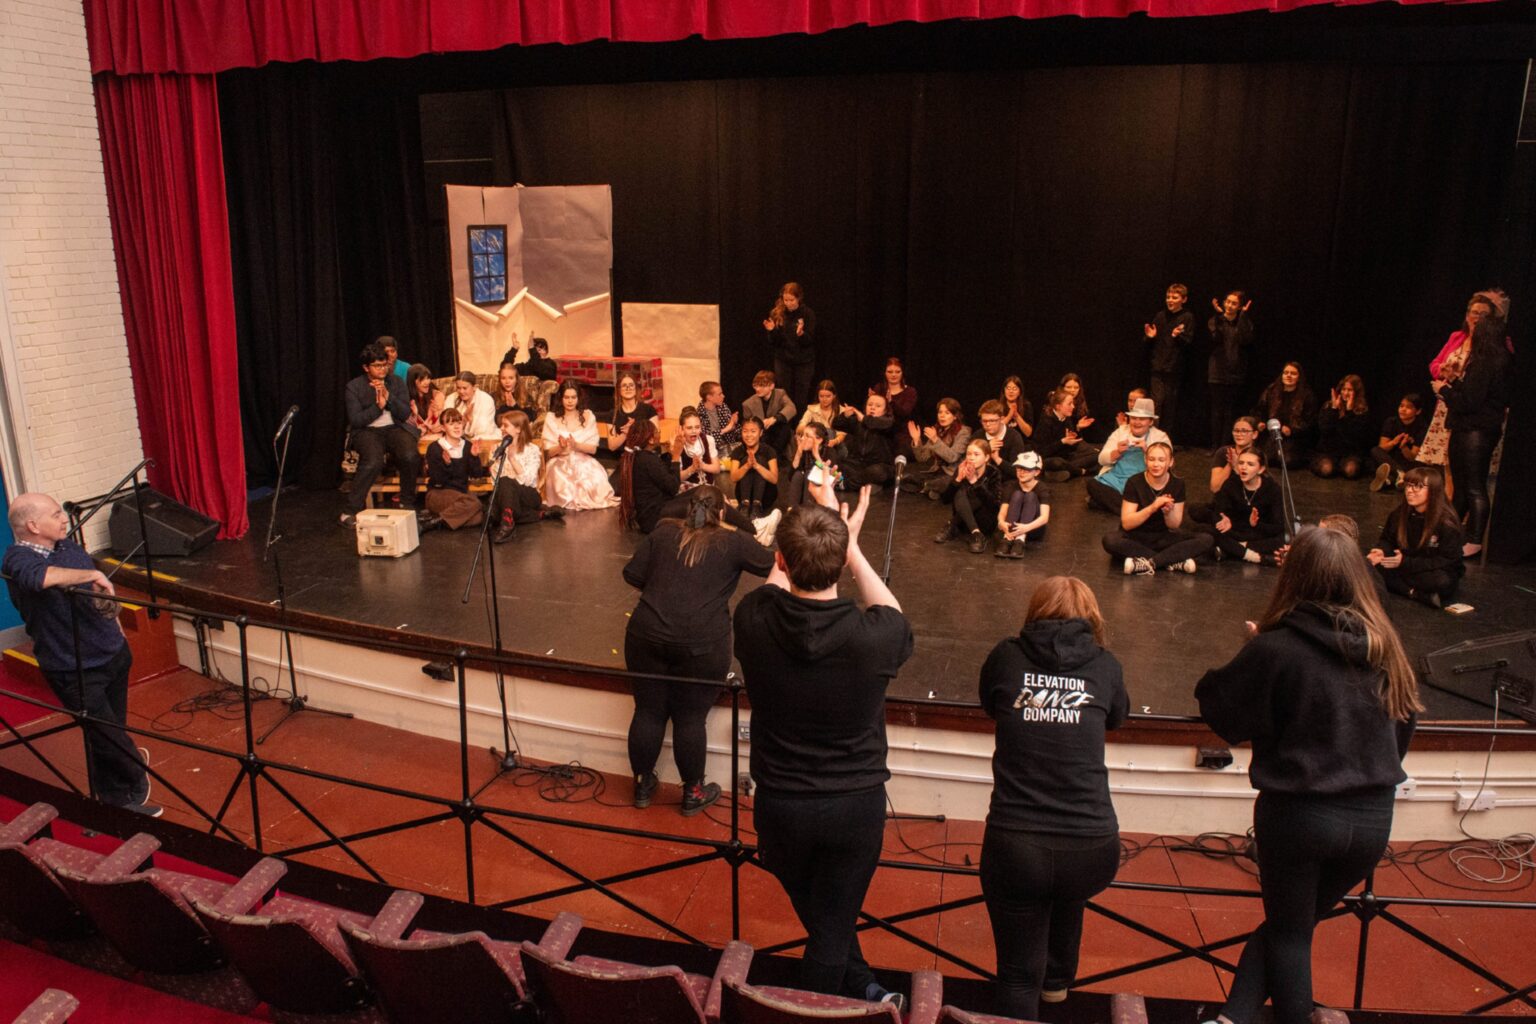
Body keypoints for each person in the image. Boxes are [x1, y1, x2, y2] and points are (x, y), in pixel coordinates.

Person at [1195, 526, 1418, 1024]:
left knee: (1291, 934)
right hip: (1371, 822)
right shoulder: (1388, 649)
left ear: (1295, 577)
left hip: (1300, 815)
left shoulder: (1278, 648)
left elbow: (1223, 712)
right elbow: (1401, 732)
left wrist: (1252, 653)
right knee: (1288, 927)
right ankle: (1233, 1017)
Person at [733, 481, 911, 1007]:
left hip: (781, 805)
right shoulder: (875, 636)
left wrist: (803, 534)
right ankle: (824, 1008)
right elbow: (893, 611)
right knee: (832, 927)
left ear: (782, 561)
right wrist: (850, 545)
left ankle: (864, 986)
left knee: (825, 917)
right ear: (838, 565)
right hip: (854, 807)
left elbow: (769, 587)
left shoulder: (753, 619)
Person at [979, 576, 1127, 1017]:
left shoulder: (1006, 657)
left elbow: (991, 704)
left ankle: (1042, 986)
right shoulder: (1105, 665)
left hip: (1016, 847)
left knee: (1018, 974)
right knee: (1066, 886)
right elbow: (1117, 717)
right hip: (1093, 847)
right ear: (1092, 618)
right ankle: (1058, 983)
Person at [624, 485, 774, 816]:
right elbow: (772, 565)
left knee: (647, 711)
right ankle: (693, 792)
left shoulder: (664, 533)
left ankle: (642, 785)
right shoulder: (733, 541)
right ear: (722, 512)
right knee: (690, 718)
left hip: (645, 633)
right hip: (701, 642)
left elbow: (632, 574)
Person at [3, 494, 156, 817]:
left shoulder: (67, 547)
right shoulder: (18, 559)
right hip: (74, 668)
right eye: (56, 513)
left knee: (108, 732)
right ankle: (133, 773)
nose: (64, 518)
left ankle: (116, 803)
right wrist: (93, 575)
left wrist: (116, 627)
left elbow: (98, 595)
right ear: (32, 525)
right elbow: (39, 578)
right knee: (109, 736)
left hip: (111, 654)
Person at [1434, 317, 1511, 557]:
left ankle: (1475, 539)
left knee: (1474, 486)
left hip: (1475, 431)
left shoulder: (1487, 362)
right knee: (1463, 487)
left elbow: (1470, 402)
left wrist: (1443, 390)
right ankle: (1452, 534)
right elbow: (1475, 394)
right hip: (1474, 428)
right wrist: (1455, 380)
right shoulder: (1496, 361)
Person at [1417, 290, 1508, 478]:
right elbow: (1434, 364)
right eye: (1474, 312)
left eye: (1484, 314)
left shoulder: (1497, 344)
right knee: (1448, 462)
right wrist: (1443, 370)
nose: (1478, 318)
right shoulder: (1457, 337)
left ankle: (1459, 506)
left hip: (1475, 410)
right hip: (1448, 404)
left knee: (1470, 471)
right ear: (1467, 316)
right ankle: (1451, 505)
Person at [343, 341, 423, 528]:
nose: (382, 369)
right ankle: (350, 510)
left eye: (384, 365)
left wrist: (388, 397)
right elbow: (356, 420)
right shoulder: (354, 387)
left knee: (410, 455)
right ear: (366, 367)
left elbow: (404, 414)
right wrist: (378, 407)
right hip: (367, 430)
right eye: (377, 366)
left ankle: (407, 502)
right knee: (373, 461)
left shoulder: (395, 382)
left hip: (394, 427)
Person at [1102, 441, 1212, 575]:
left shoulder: (1177, 484)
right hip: (1136, 537)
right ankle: (1173, 561)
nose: (1156, 464)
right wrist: (1152, 508)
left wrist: (1167, 513)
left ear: (1170, 462)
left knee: (1206, 539)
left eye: (1161, 460)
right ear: (1145, 460)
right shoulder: (1134, 482)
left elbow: (1174, 525)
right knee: (1110, 540)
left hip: (1163, 537)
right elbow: (1127, 524)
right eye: (1151, 459)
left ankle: (1150, 563)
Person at [1367, 466, 1464, 608]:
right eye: (1408, 485)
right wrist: (1380, 551)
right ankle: (1413, 593)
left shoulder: (1447, 523)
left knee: (1441, 582)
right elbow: (1387, 539)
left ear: (1433, 491)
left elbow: (1448, 560)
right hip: (1404, 563)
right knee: (1369, 565)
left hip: (1431, 568)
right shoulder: (1399, 513)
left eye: (1418, 486)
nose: (1410, 490)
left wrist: (1406, 562)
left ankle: (1402, 588)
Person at [489, 409, 563, 544]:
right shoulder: (497, 449)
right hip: (506, 495)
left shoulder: (532, 450)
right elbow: (495, 478)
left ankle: (507, 527)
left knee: (506, 481)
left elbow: (528, 480)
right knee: (490, 515)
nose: (501, 428)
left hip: (528, 495)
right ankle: (539, 514)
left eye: (505, 425)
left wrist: (512, 459)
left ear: (518, 429)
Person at [542, 380, 619, 510]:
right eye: (566, 397)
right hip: (559, 463)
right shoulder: (551, 418)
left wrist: (575, 445)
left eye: (573, 397)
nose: (570, 401)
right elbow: (547, 452)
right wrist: (561, 447)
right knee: (561, 481)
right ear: (561, 399)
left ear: (578, 398)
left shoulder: (588, 416)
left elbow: (593, 449)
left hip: (583, 460)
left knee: (593, 480)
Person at [1086, 397, 1170, 514]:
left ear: (1151, 422)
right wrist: (1117, 452)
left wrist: (1148, 451)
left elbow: (1168, 465)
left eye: (1142, 419)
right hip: (1117, 480)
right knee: (1092, 484)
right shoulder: (1120, 432)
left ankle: (1111, 506)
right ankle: (1136, 511)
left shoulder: (1160, 437)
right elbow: (1101, 460)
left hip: (1142, 482)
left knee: (1142, 492)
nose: (1137, 422)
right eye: (1134, 418)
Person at [1207, 448, 1285, 564]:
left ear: (1261, 469)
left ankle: (1234, 549)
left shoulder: (1272, 489)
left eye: (1250, 464)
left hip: (1258, 534)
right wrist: (1224, 519)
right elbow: (1219, 510)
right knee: (1209, 532)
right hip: (1234, 531)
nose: (1243, 467)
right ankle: (1256, 557)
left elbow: (1278, 526)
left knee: (1284, 539)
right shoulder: (1231, 483)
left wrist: (1256, 524)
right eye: (1241, 463)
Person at [423, 408, 489, 530]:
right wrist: (446, 464)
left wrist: (474, 457)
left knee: (479, 517)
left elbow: (477, 475)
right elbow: (438, 482)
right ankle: (434, 523)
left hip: (461, 494)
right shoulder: (435, 448)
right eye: (451, 423)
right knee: (475, 504)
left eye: (459, 423)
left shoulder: (467, 445)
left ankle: (437, 520)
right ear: (443, 428)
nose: (457, 427)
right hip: (438, 493)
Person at [936, 437, 1004, 554]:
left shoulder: (993, 473)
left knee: (974, 493)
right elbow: (945, 500)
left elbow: (995, 505)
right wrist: (957, 480)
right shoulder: (961, 469)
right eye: (969, 454)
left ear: (986, 457)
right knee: (960, 492)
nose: (971, 457)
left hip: (985, 521)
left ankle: (951, 525)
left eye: (976, 454)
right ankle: (976, 534)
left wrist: (974, 481)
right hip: (964, 521)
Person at [1145, 283, 1196, 435]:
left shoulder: (1187, 317)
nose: (1170, 300)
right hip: (1158, 366)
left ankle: (1164, 438)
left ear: (1184, 299)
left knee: (1169, 405)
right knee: (1156, 403)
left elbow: (1188, 342)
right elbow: (1150, 338)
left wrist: (1177, 336)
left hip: (1174, 368)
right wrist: (1150, 337)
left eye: (1175, 297)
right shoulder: (1161, 316)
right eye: (1168, 297)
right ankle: (1151, 435)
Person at [1207, 290, 1255, 447]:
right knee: (1216, 412)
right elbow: (1215, 339)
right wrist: (1219, 317)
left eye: (1234, 303)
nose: (1229, 305)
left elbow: (1245, 339)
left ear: (1240, 306)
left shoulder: (1244, 322)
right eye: (1228, 302)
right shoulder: (1215, 321)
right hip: (1217, 372)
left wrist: (1242, 317)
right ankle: (1214, 446)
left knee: (1230, 412)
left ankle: (1225, 446)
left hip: (1235, 373)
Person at [618, 417, 681, 534]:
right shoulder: (648, 460)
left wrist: (670, 454)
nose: (659, 434)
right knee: (704, 495)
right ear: (651, 439)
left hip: (646, 518)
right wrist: (676, 457)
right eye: (657, 432)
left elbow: (662, 476)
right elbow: (673, 487)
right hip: (655, 519)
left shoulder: (639, 457)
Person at [763, 282, 817, 409]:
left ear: (798, 298)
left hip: (804, 361)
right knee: (784, 394)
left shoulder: (808, 314)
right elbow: (774, 342)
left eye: (791, 300)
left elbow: (810, 341)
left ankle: (799, 425)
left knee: (801, 396)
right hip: (783, 360)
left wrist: (801, 334)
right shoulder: (777, 313)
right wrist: (771, 331)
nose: (788, 303)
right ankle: (785, 425)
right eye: (785, 300)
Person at [1254, 362, 1316, 469]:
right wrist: (1260, 422)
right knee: (1265, 459)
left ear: (1299, 377)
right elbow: (1259, 410)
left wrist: (1292, 430)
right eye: (1286, 372)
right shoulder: (1272, 390)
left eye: (1293, 373)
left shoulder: (1307, 395)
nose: (1288, 375)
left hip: (1294, 437)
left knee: (1287, 461)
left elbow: (1310, 421)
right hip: (1273, 434)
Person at [905, 397, 971, 499]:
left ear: (955, 416)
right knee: (908, 477)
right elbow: (922, 458)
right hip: (937, 473)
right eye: (940, 412)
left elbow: (952, 457)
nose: (942, 416)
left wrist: (935, 440)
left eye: (947, 413)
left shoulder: (964, 432)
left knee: (946, 482)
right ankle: (931, 489)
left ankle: (927, 487)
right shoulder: (937, 430)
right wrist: (917, 440)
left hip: (953, 474)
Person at [1311, 375, 1374, 480]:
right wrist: (1334, 409)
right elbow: (1325, 429)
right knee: (1326, 469)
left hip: (1350, 452)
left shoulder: (1362, 410)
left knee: (1351, 471)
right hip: (1328, 451)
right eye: (1344, 389)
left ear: (1356, 392)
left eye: (1349, 390)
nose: (1345, 393)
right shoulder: (1329, 406)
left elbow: (1355, 436)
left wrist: (1349, 412)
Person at [1033, 388, 1100, 482]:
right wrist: (1062, 442)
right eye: (1069, 404)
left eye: (1072, 403)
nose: (1073, 406)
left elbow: (1074, 446)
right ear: (1058, 406)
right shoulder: (1046, 421)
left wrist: (1078, 429)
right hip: (1048, 459)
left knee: (1098, 455)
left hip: (1066, 458)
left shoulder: (1067, 418)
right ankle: (1081, 471)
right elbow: (1041, 452)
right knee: (1057, 463)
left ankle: (1066, 472)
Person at [833, 392, 896, 489]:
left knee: (877, 472)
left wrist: (863, 418)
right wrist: (845, 415)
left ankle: (847, 484)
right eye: (870, 405)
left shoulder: (888, 422)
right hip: (858, 464)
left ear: (885, 410)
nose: (872, 407)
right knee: (837, 465)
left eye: (878, 406)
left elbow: (874, 423)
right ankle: (868, 485)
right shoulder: (858, 422)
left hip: (879, 465)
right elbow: (836, 424)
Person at [995, 451, 1051, 558]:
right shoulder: (1011, 486)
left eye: (1027, 470)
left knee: (1030, 496)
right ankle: (1007, 539)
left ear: (1037, 472)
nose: (1021, 472)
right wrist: (1001, 522)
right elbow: (1003, 510)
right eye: (1019, 468)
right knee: (1017, 494)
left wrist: (1026, 528)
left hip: (1031, 528)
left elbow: (1044, 517)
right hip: (1011, 527)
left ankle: (1020, 539)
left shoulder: (1042, 488)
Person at [1369, 393, 1428, 492]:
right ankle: (1400, 476)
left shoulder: (1421, 427)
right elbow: (1382, 448)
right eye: (1401, 406)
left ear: (1418, 411)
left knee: (1419, 466)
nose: (1403, 409)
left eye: (1408, 407)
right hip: (1390, 461)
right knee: (1375, 450)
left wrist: (1404, 447)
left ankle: (1389, 480)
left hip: (1407, 462)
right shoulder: (1391, 422)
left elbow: (1412, 457)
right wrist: (1393, 442)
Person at [729, 416, 780, 518]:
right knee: (744, 461)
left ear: (760, 433)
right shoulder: (737, 451)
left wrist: (757, 466)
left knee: (760, 459)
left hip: (766, 495)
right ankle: (745, 505)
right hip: (743, 495)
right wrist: (747, 465)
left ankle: (757, 505)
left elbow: (774, 479)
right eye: (745, 431)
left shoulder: (769, 451)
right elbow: (733, 478)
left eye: (753, 431)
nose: (749, 435)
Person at [741, 370, 797, 454]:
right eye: (755, 385)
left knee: (784, 426)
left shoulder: (780, 394)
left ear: (771, 386)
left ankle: (775, 456)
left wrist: (775, 418)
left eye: (762, 386)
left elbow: (791, 408)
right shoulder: (748, 404)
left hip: (778, 436)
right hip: (761, 436)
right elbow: (747, 425)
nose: (757, 389)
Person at [603, 372, 658, 454]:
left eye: (631, 385)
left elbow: (656, 440)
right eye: (624, 385)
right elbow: (612, 446)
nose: (628, 388)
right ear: (619, 390)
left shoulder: (648, 410)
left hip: (645, 456)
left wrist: (633, 431)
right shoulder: (612, 414)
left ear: (636, 389)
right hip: (624, 458)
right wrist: (625, 434)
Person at [1209, 417, 1261, 495]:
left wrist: (1237, 466)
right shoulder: (1223, 452)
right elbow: (1215, 488)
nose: (1239, 434)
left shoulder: (1258, 456)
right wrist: (1230, 464)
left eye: (1244, 431)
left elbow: (1255, 488)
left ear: (1254, 434)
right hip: (1223, 501)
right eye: (1236, 431)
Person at [673, 407, 721, 493]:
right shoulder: (678, 446)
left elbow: (717, 468)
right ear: (682, 429)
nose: (694, 431)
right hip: (689, 491)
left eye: (697, 427)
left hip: (709, 489)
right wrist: (692, 469)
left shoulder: (708, 440)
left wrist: (702, 466)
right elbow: (676, 478)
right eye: (689, 428)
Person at [872, 358, 919, 443]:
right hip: (881, 432)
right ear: (885, 373)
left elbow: (905, 412)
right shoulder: (879, 388)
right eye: (890, 372)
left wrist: (891, 402)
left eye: (897, 372)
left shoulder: (910, 391)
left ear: (902, 373)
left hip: (901, 434)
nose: (893, 375)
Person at [444, 371, 499, 442]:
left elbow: (484, 429)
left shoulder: (486, 399)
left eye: (464, 388)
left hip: (484, 437)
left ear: (475, 387)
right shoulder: (451, 398)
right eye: (458, 388)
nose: (461, 391)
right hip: (457, 437)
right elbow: (447, 424)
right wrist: (464, 421)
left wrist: (471, 420)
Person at [975, 400, 1028, 472]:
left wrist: (998, 460)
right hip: (983, 480)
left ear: (1001, 419)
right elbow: (970, 465)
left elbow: (1017, 471)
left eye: (992, 421)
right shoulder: (977, 435)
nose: (988, 424)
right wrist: (986, 450)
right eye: (984, 421)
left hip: (1007, 481)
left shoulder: (1014, 437)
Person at [799, 380, 848, 451]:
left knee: (829, 432)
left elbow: (842, 434)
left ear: (834, 396)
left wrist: (834, 441)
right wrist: (804, 430)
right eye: (821, 396)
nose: (824, 399)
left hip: (836, 446)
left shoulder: (841, 411)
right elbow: (802, 424)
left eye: (828, 396)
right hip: (817, 444)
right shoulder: (812, 409)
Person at [697, 381, 742, 453]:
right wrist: (726, 429)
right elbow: (706, 439)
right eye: (719, 394)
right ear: (709, 397)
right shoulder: (699, 415)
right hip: (710, 450)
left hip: (728, 445)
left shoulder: (722, 407)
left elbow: (732, 428)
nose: (723, 396)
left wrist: (734, 423)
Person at [406, 363, 443, 435]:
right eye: (422, 379)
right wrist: (415, 415)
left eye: (428, 378)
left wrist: (436, 415)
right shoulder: (407, 398)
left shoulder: (437, 395)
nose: (427, 382)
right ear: (413, 381)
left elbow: (441, 423)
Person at [999, 376, 1034, 442]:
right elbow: (996, 429)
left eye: (1014, 389)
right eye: (1008, 388)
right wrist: (1010, 415)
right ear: (1004, 390)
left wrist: (1016, 415)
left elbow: (1028, 433)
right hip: (1003, 443)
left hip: (1022, 443)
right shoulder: (998, 406)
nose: (1011, 391)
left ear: (1019, 392)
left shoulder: (1026, 406)